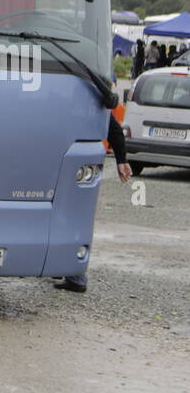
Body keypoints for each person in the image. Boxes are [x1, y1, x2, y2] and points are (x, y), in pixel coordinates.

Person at [56, 114, 132, 293]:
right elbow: (114, 128)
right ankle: (70, 270)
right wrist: (121, 160)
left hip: (63, 163)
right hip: (81, 166)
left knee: (63, 215)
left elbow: (113, 127)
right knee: (74, 215)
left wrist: (121, 159)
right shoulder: (90, 98)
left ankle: (72, 273)